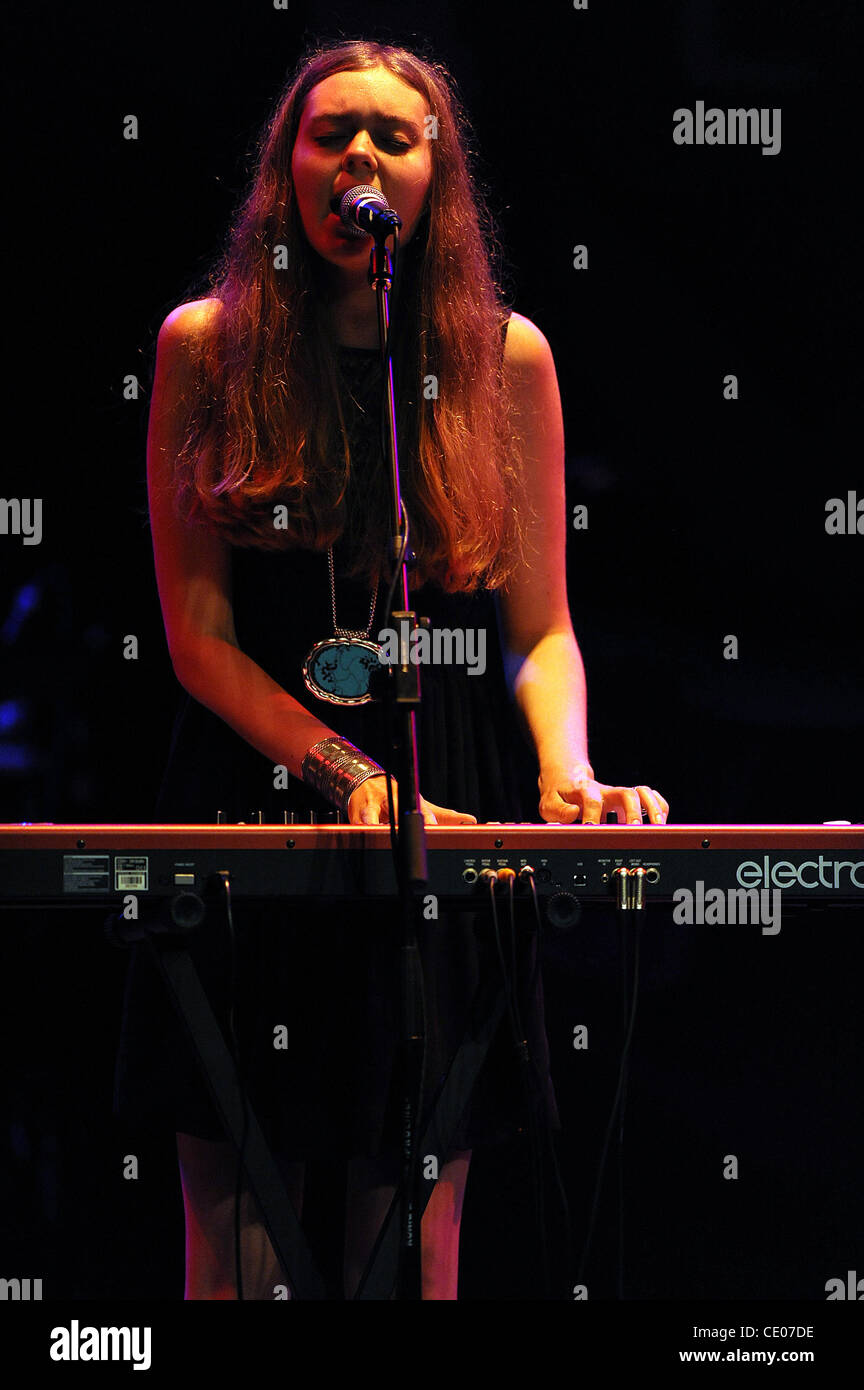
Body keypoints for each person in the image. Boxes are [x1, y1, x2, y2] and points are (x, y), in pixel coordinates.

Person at [114, 37, 669, 1302]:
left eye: (393, 138)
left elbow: (538, 631)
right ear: (287, 171)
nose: (359, 154)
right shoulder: (206, 346)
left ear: (435, 183)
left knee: (413, 1238)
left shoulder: (504, 359)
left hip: (444, 796)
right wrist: (345, 769)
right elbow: (196, 636)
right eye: (329, 135)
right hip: (252, 793)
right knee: (238, 1242)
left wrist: (568, 770)